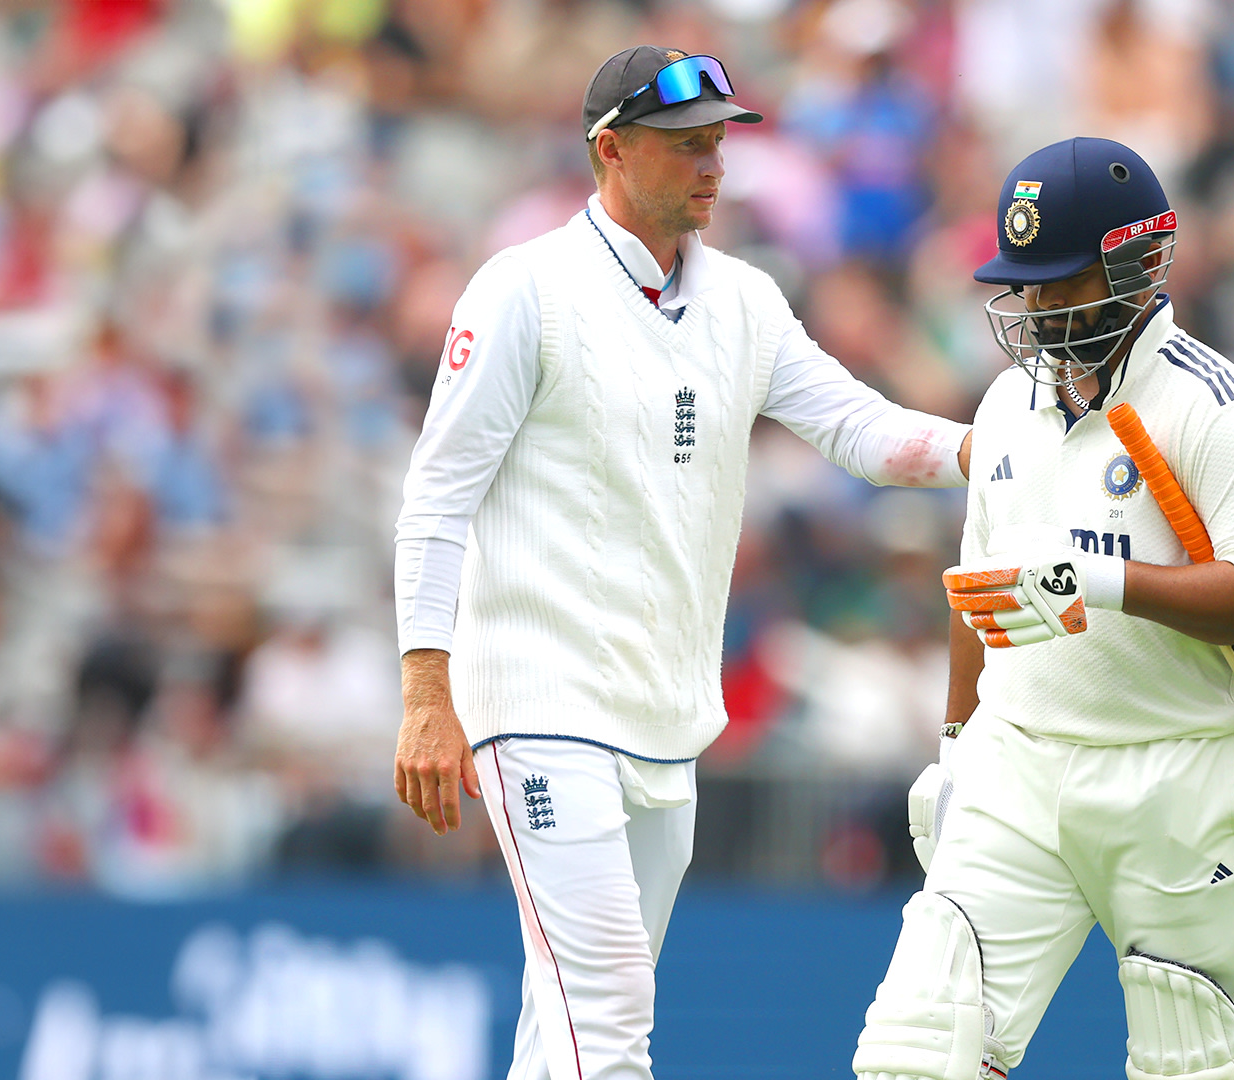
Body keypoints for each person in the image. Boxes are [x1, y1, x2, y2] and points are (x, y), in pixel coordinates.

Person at [392, 46, 973, 1080]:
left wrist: (1004, 451)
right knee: (609, 1015)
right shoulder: (524, 288)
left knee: (566, 1031)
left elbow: (859, 430)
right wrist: (427, 693)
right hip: (541, 704)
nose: (712, 165)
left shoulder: (744, 299)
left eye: (716, 142)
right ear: (610, 151)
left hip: (667, 719)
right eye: (684, 145)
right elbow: (437, 496)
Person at [853, 138, 1234, 1080]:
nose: (1038, 307)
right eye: (1027, 284)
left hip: (1179, 774)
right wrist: (955, 745)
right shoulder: (1005, 405)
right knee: (916, 1055)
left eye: (1063, 281)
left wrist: (1105, 581)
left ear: (1140, 263)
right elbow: (976, 587)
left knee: (1199, 1066)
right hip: (1018, 764)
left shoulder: (1215, 407)